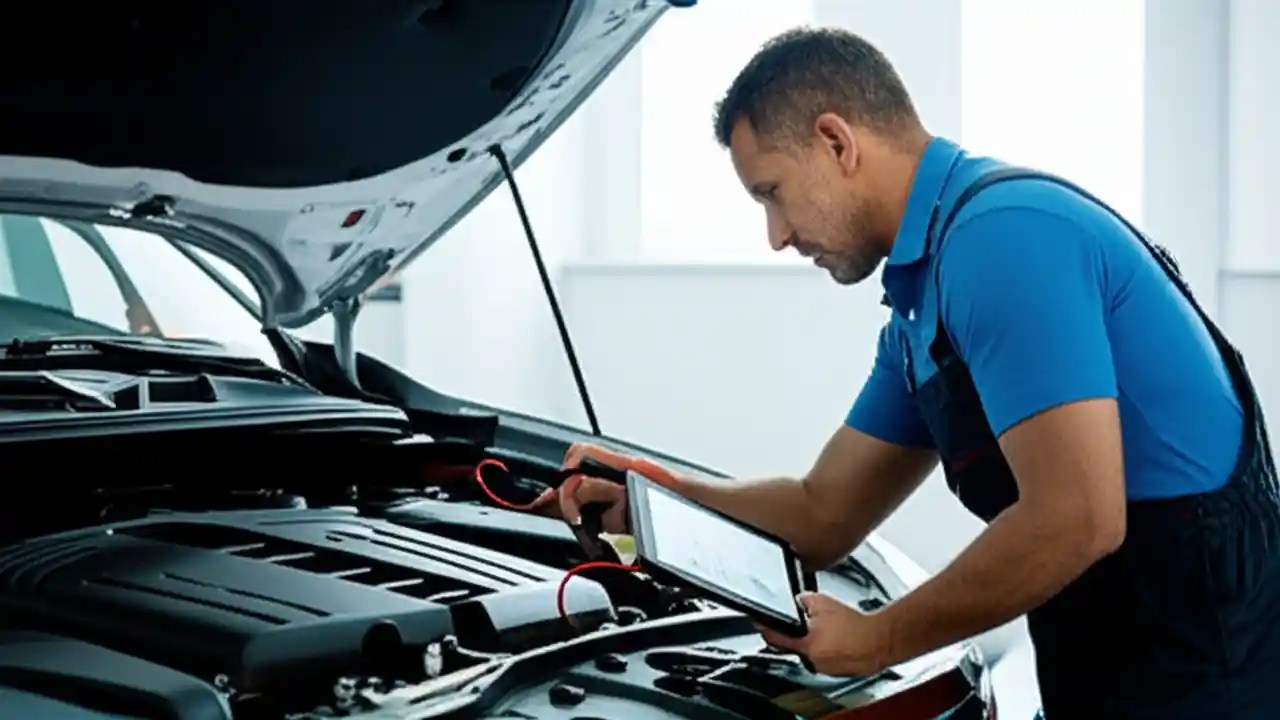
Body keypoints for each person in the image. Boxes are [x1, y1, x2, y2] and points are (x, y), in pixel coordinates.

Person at [536, 26, 1280, 719]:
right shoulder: (921, 303)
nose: (777, 235)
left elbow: (1077, 519)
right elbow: (821, 512)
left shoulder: (1002, 241)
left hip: (1211, 682)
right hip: (1117, 672)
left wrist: (878, 637)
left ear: (835, 141)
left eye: (771, 192)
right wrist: (657, 494)